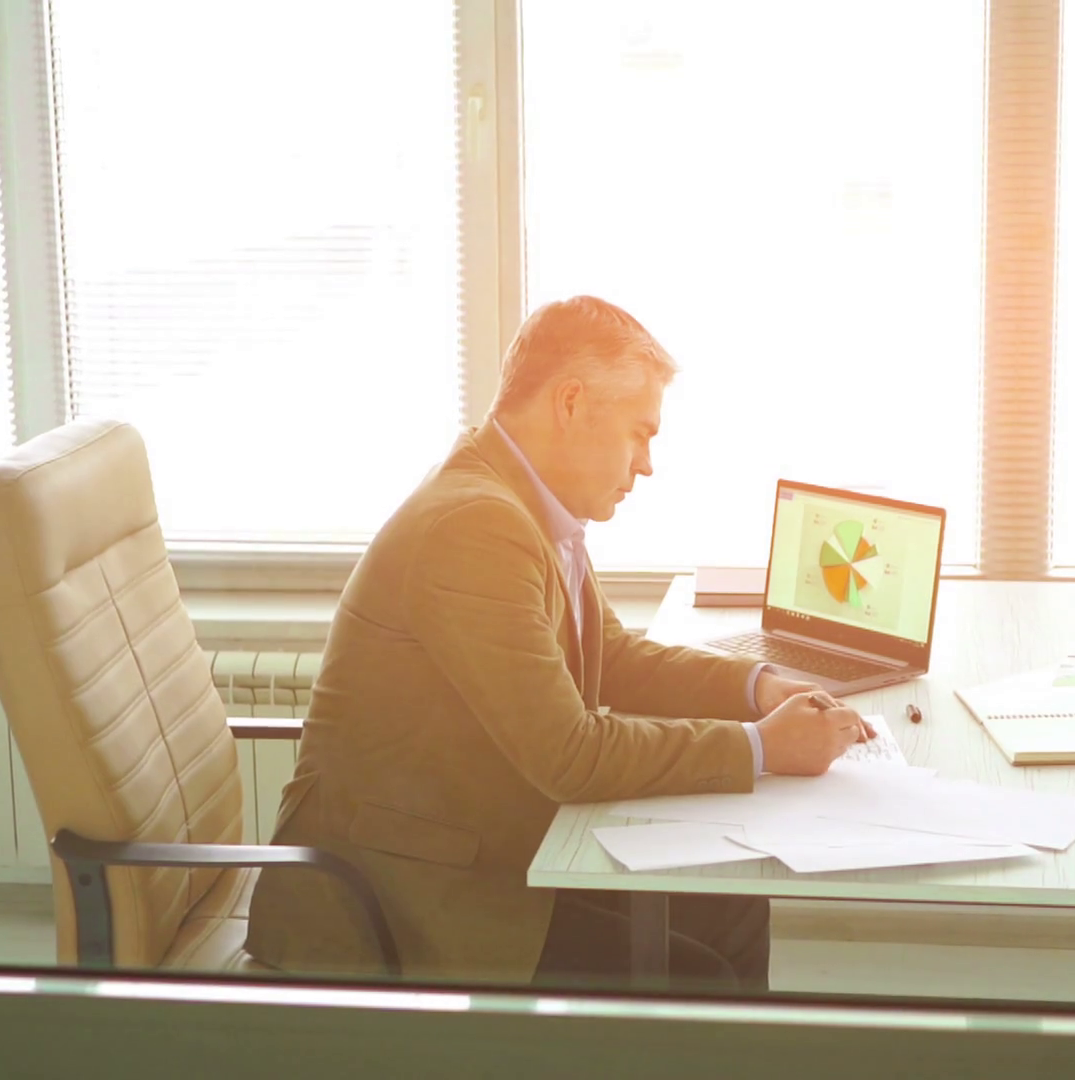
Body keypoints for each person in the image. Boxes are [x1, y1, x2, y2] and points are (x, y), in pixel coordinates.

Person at [245, 296, 870, 991]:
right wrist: (763, 748)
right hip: (406, 894)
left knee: (731, 910)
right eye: (640, 433)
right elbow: (569, 755)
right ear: (571, 403)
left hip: (486, 843)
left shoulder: (521, 503)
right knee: (700, 978)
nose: (648, 464)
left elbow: (613, 655)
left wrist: (754, 690)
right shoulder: (476, 525)